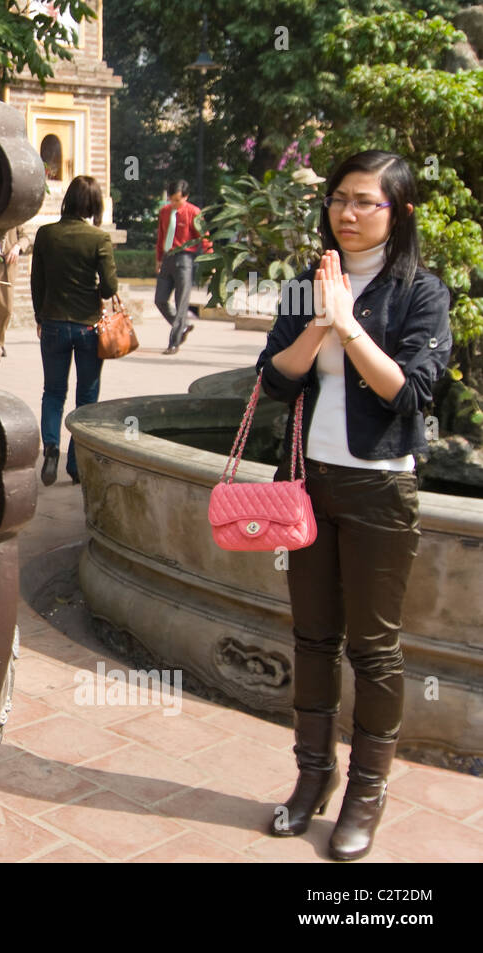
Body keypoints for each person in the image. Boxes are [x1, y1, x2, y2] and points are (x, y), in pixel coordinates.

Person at [256, 150, 451, 861]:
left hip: (378, 485)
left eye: (366, 201)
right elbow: (276, 380)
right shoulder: (307, 285)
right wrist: (320, 319)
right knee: (311, 635)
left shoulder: (421, 292)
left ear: (395, 211)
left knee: (373, 646)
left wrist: (350, 324)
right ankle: (312, 778)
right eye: (340, 198)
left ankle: (365, 792)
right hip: (306, 480)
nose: (347, 212)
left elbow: (411, 391)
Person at [31, 175, 118, 485]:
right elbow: (109, 288)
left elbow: (36, 282)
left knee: (53, 392)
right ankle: (77, 463)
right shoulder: (98, 239)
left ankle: (51, 448)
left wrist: (40, 317)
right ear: (94, 205)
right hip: (88, 328)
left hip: (53, 324)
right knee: (86, 397)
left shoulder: (46, 234)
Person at [154, 179, 211, 354]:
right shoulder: (164, 212)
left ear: (186, 197)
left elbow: (204, 237)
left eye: (178, 200)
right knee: (160, 299)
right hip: (167, 257)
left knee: (181, 303)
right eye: (172, 199)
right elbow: (161, 236)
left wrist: (210, 260)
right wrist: (158, 259)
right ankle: (183, 326)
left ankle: (174, 342)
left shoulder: (194, 212)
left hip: (185, 259)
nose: (174, 203)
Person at [0, 225, 31, 364]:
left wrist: (17, 247)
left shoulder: (13, 214)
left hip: (6, 264)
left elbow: (25, 238)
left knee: (6, 308)